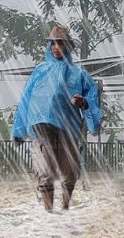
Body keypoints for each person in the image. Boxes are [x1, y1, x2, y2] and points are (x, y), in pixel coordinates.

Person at [11, 25, 103, 212]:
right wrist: (19, 130)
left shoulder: (79, 74)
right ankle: (48, 215)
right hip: (41, 125)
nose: (55, 47)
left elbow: (93, 98)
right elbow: (26, 100)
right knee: (45, 171)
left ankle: (65, 209)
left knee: (69, 172)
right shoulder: (40, 71)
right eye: (52, 43)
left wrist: (83, 103)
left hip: (67, 128)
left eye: (60, 43)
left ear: (68, 46)